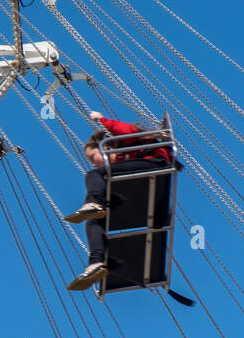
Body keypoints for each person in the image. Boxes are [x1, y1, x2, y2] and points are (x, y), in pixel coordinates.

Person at [64, 110, 172, 291]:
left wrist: (102, 120)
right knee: (93, 221)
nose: (92, 162)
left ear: (105, 147)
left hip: (153, 164)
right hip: (137, 187)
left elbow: (128, 132)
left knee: (94, 174)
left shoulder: (128, 143)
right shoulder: (116, 175)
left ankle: (93, 203)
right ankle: (96, 262)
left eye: (93, 157)